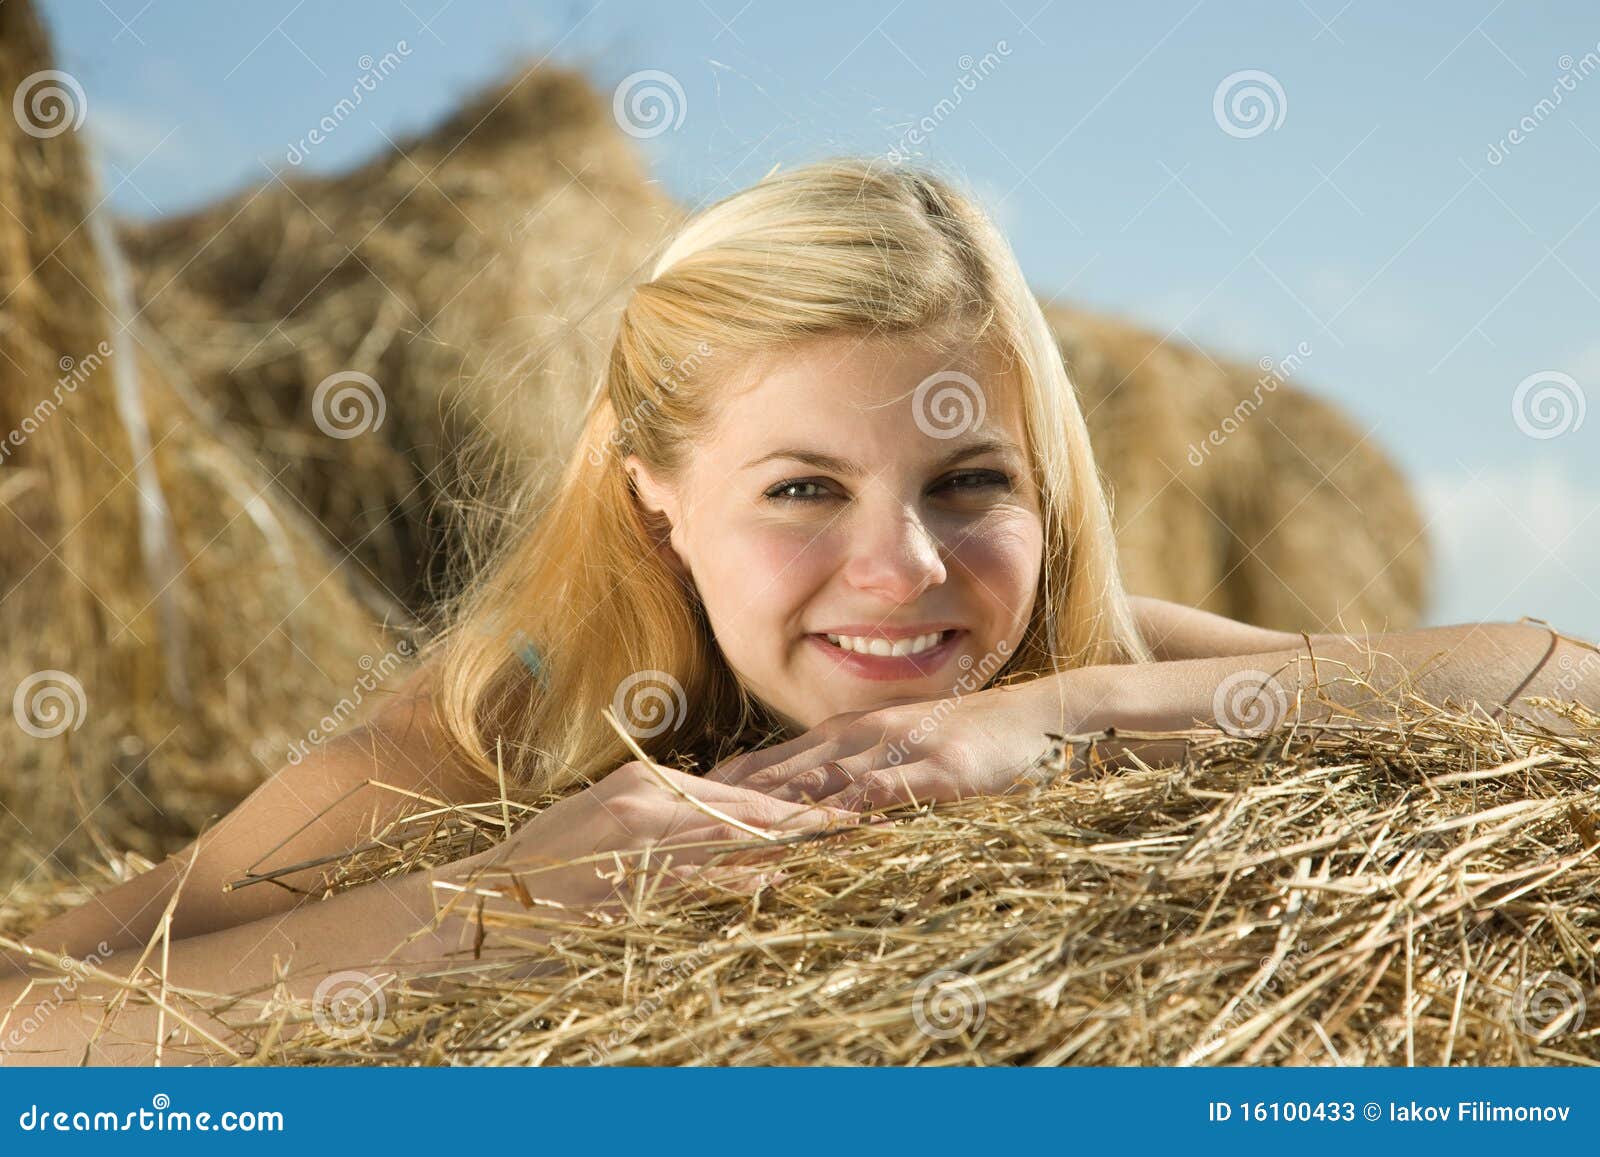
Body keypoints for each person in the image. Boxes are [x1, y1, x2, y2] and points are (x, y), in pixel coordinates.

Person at [3, 159, 1592, 1065]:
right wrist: (508, 897)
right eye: (804, 489)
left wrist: (1060, 714)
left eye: (970, 482)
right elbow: (33, 1019)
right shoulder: (495, 724)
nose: (900, 570)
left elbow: (1562, 688)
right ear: (655, 505)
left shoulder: (1075, 662)